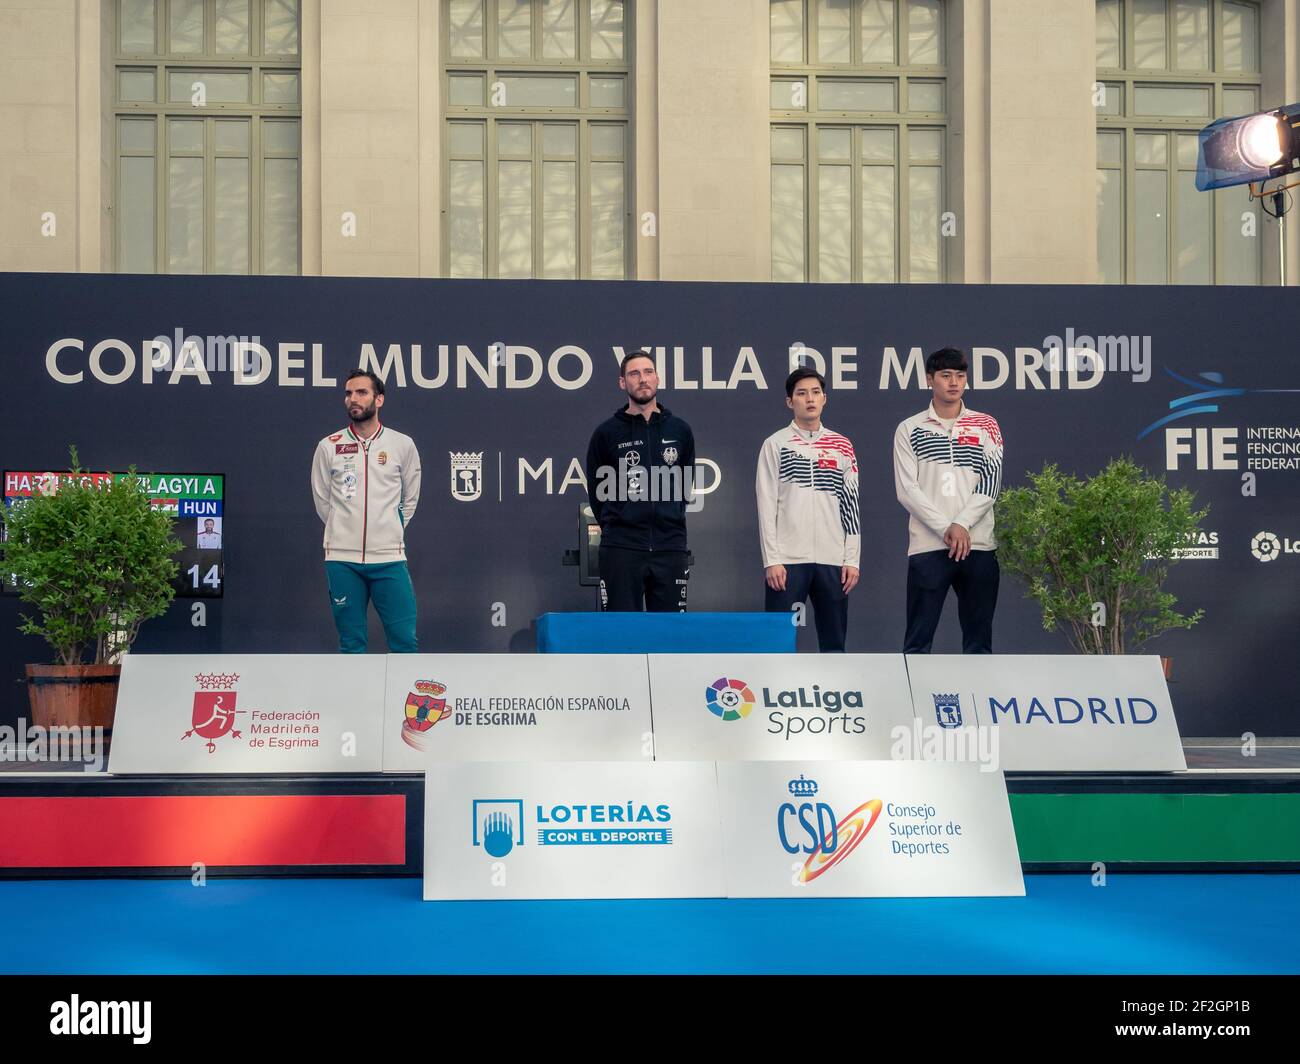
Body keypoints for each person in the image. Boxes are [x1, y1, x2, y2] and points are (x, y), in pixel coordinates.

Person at [893, 347, 1003, 654]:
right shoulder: (909, 429)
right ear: (930, 379)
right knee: (917, 643)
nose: (953, 382)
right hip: (929, 545)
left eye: (960, 375)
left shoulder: (986, 425)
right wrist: (947, 528)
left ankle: (978, 701)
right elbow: (907, 490)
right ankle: (913, 703)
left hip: (979, 544)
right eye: (945, 376)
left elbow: (990, 484)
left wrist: (962, 524)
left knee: (979, 643)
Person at [310, 369, 422, 652]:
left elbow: (410, 498)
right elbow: (324, 502)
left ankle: (403, 698)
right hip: (342, 559)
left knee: (405, 643)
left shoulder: (402, 444)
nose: (353, 399)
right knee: (351, 644)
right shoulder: (328, 446)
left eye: (361, 392)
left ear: (379, 399)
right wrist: (343, 528)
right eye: (348, 393)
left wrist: (389, 528)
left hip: (389, 558)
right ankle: (355, 698)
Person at [756, 367, 860, 651]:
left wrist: (851, 559)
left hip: (833, 559)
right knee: (776, 644)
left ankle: (835, 692)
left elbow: (851, 505)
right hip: (787, 560)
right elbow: (766, 506)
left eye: (815, 393)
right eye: (801, 394)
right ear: (790, 402)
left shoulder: (842, 445)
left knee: (834, 644)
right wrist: (772, 560)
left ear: (824, 399)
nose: (809, 399)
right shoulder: (775, 444)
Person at [585, 350, 696, 612]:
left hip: (670, 547)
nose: (642, 379)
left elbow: (684, 485)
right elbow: (598, 494)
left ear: (657, 378)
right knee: (621, 637)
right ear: (623, 382)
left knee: (670, 638)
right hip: (621, 550)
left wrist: (670, 517)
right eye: (634, 374)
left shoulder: (680, 430)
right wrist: (622, 523)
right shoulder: (606, 433)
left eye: (648, 372)